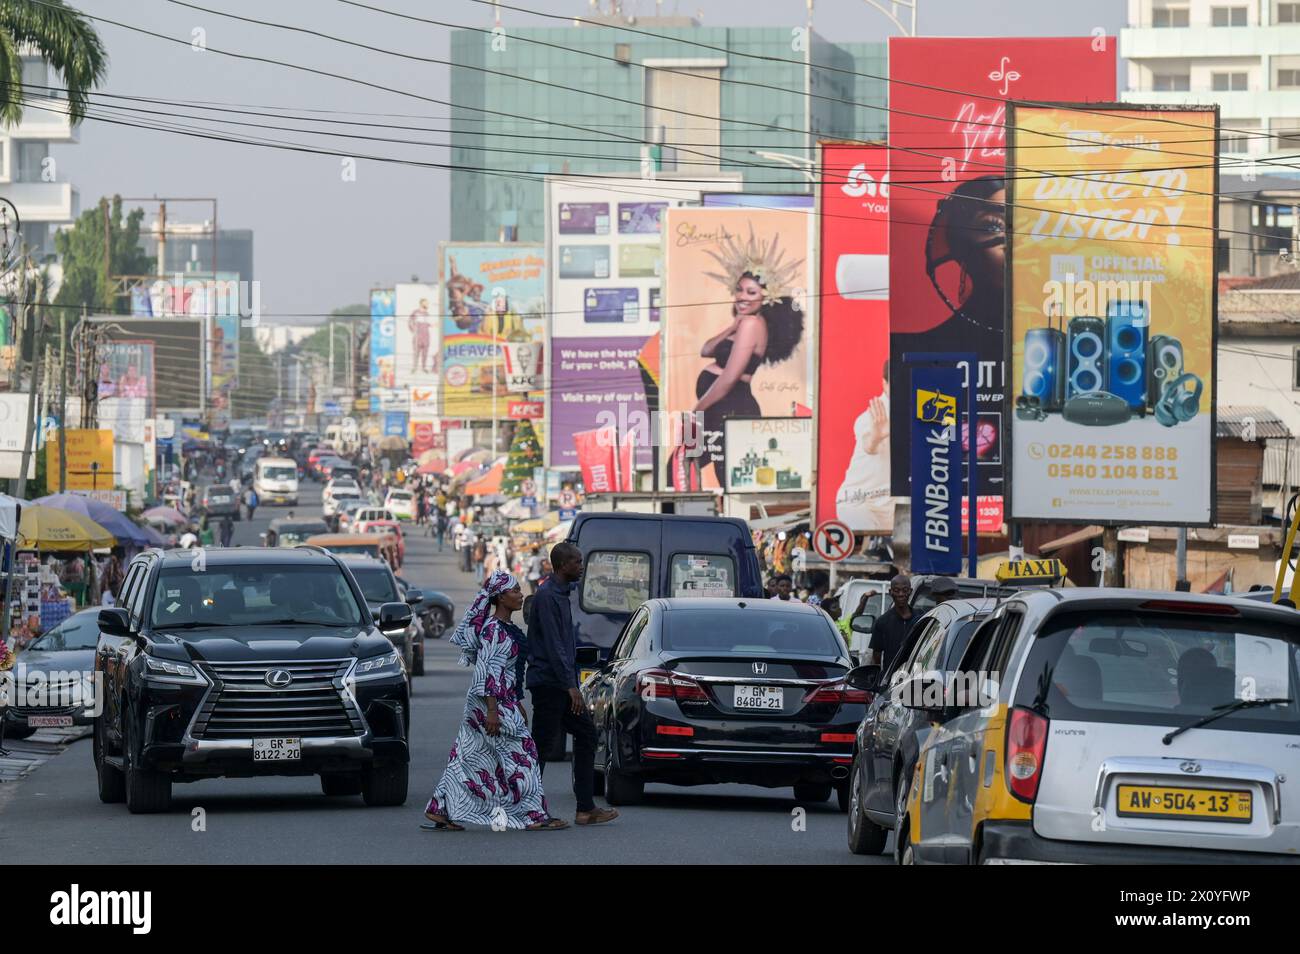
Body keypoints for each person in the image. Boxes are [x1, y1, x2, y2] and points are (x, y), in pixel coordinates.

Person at [422, 570, 568, 832]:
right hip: (491, 702)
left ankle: (440, 809)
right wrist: (492, 711)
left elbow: (507, 671)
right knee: (525, 754)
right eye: (515, 591)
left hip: (497, 700)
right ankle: (534, 815)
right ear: (500, 598)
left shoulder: (506, 628)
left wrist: (517, 701)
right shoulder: (493, 630)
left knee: (468, 756)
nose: (521, 595)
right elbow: (488, 670)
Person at [689, 259, 804, 487]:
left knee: (723, 477)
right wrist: (732, 327)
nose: (742, 296)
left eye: (751, 292)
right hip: (721, 409)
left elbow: (730, 377)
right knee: (690, 466)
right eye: (739, 290)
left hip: (730, 408)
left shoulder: (753, 324)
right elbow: (706, 350)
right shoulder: (744, 324)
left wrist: (698, 409)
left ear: (766, 298)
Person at [526, 542, 618, 826]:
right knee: (541, 746)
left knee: (586, 734)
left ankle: (585, 808)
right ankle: (530, 811)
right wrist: (571, 686)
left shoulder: (561, 594)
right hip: (550, 683)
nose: (581, 566)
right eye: (577, 562)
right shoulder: (547, 595)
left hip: (559, 682)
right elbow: (555, 646)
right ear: (563, 565)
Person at [869, 575, 917, 674]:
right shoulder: (882, 622)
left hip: (916, 678)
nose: (901, 594)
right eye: (896, 590)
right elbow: (876, 657)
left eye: (905, 590)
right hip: (890, 681)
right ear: (890, 592)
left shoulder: (921, 618)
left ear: (910, 591)